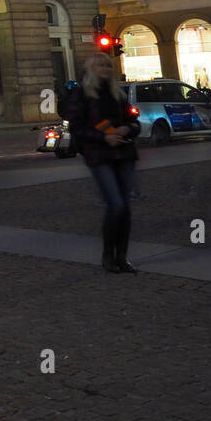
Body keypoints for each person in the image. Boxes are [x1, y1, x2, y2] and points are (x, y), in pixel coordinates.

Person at [63, 52, 141, 273]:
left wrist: (127, 129)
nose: (105, 69)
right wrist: (104, 137)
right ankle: (108, 256)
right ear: (90, 69)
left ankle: (122, 257)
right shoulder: (81, 95)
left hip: (124, 154)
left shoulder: (118, 94)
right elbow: (77, 128)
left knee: (125, 208)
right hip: (99, 155)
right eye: (100, 66)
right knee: (115, 204)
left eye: (108, 66)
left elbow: (135, 122)